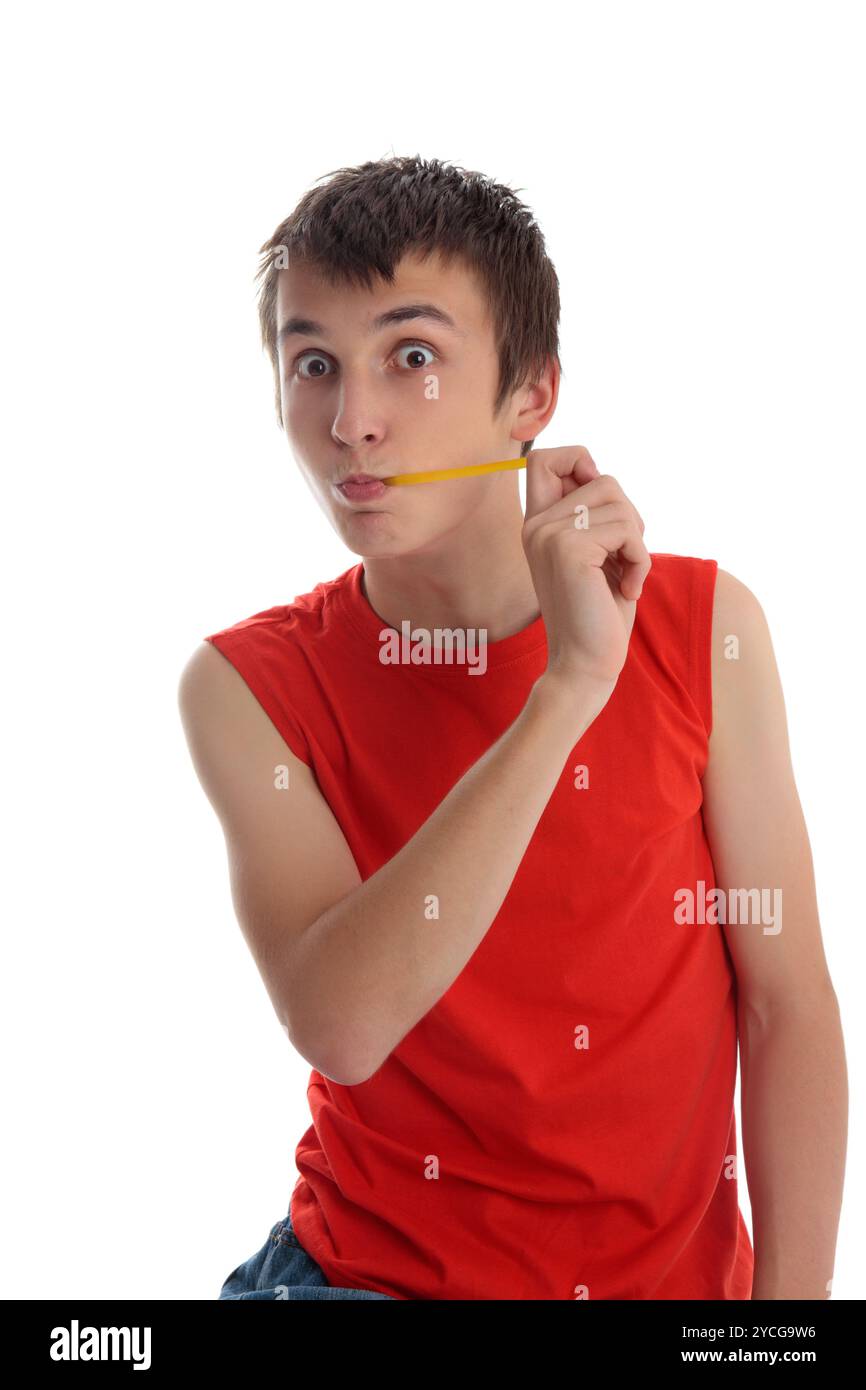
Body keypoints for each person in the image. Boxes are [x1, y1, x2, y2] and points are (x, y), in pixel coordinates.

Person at [178, 155, 847, 1301]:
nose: (352, 423)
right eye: (313, 364)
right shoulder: (246, 686)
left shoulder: (703, 628)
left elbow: (786, 1001)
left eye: (412, 357)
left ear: (530, 397)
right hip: (363, 1281)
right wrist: (567, 691)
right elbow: (342, 1025)